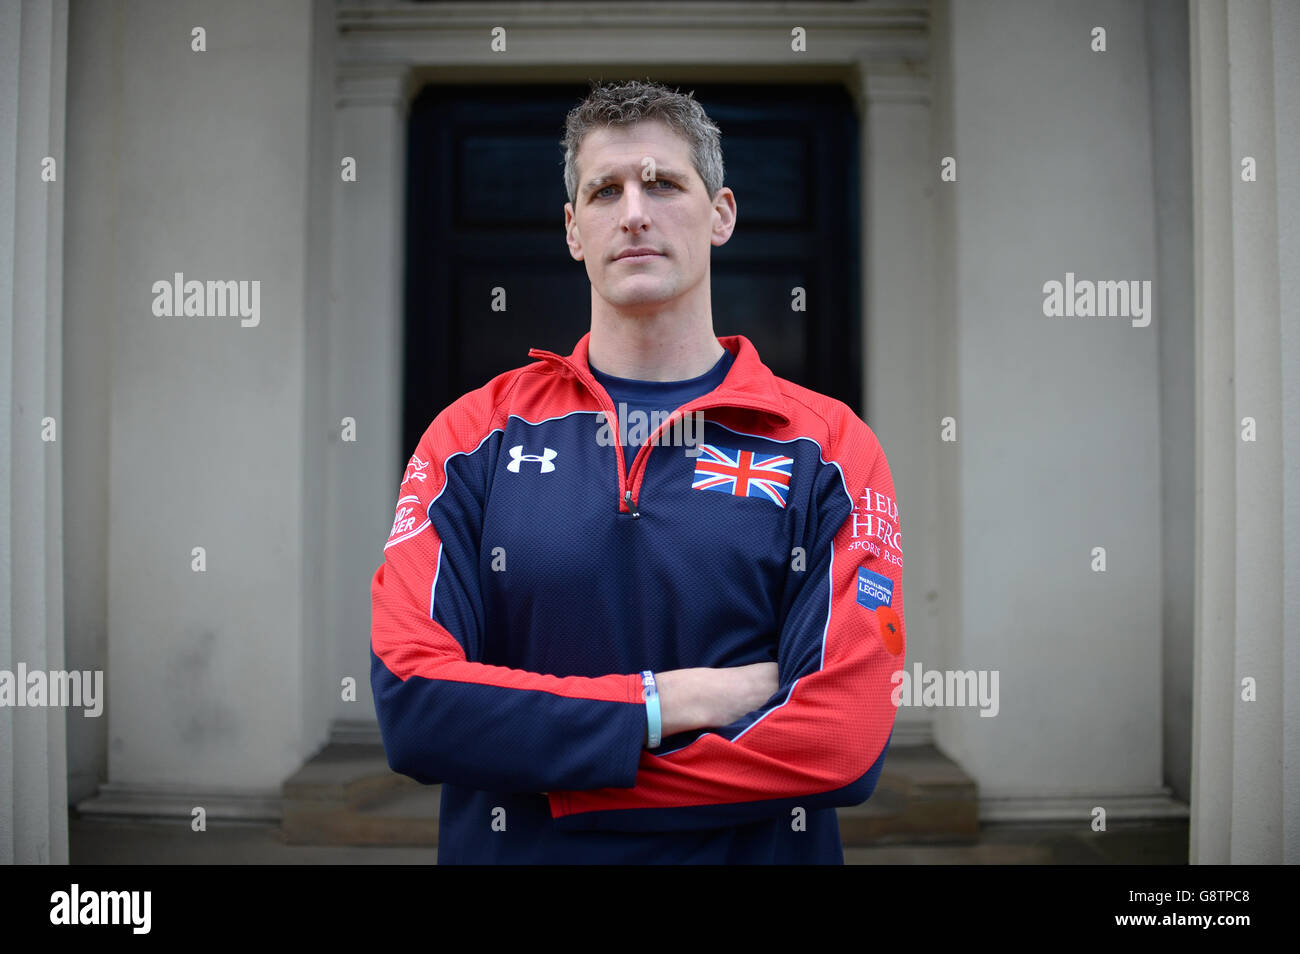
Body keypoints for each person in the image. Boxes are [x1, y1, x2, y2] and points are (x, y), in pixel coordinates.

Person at [370, 79, 906, 864]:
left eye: (662, 184)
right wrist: (663, 703)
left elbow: (844, 739)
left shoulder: (828, 445)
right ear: (572, 229)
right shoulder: (471, 435)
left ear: (721, 213)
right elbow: (416, 704)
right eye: (604, 191)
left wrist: (572, 779)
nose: (633, 211)